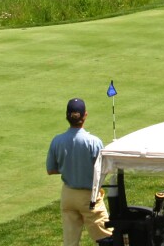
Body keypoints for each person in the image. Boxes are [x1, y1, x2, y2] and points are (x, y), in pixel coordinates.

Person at [46, 97, 112, 246]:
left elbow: (51, 169)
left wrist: (69, 167)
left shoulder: (57, 141)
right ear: (85, 115)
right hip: (89, 196)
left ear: (67, 116)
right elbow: (104, 168)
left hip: (68, 196)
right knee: (107, 239)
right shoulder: (94, 142)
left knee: (70, 243)